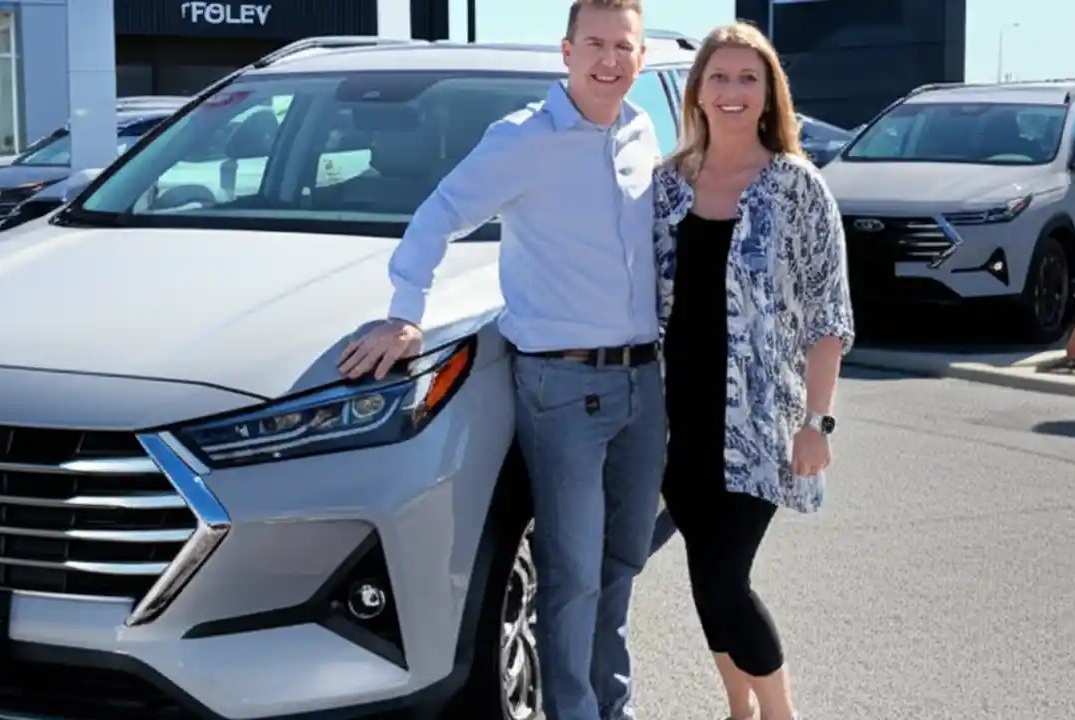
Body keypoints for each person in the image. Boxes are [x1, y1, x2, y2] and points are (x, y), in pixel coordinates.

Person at [337, 2, 666, 718]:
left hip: (646, 382)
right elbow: (439, 213)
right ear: (567, 51)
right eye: (596, 44)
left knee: (622, 563)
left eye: (624, 46)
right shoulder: (522, 139)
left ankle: (613, 706)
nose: (610, 60)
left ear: (640, 58)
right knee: (572, 573)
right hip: (564, 387)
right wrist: (405, 313)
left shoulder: (642, 133)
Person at [649, 22, 855, 720]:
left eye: (748, 79)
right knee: (705, 578)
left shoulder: (797, 187)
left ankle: (779, 713)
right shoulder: (667, 186)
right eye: (720, 78)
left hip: (760, 423)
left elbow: (829, 313)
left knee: (726, 578)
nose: (732, 92)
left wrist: (816, 421)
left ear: (769, 94)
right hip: (679, 423)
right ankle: (739, 708)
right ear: (697, 93)